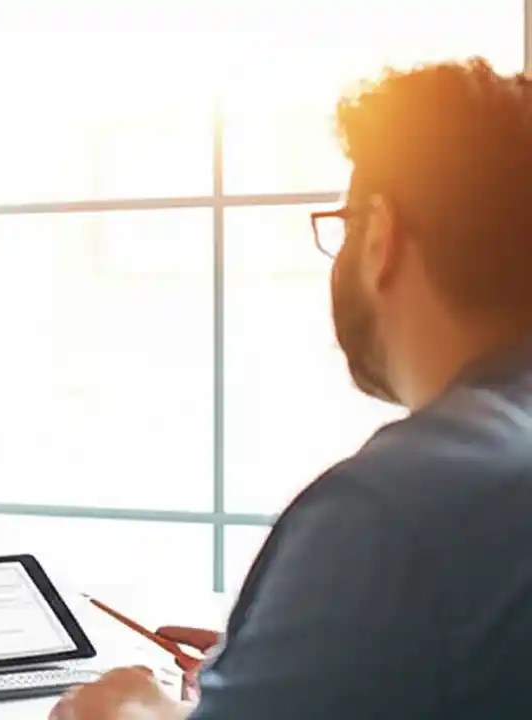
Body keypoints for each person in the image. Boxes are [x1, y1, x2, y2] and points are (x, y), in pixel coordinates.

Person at [51, 57, 532, 719]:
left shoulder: (393, 511)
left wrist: (135, 712)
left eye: (345, 224)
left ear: (382, 239)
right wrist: (294, 662)